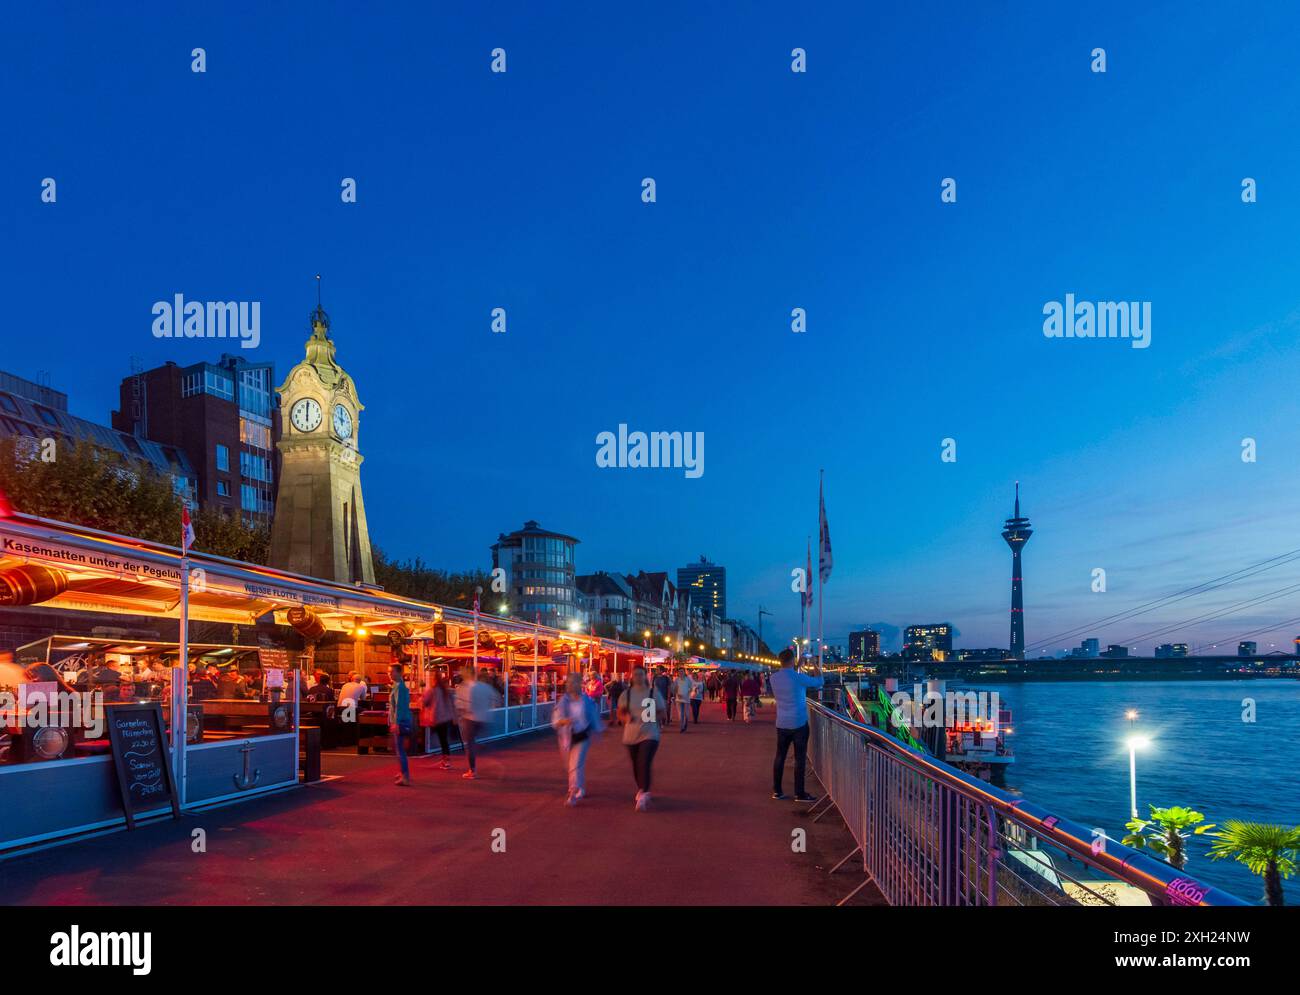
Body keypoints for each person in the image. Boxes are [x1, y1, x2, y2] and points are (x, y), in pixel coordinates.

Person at [769, 648, 824, 802]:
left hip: (782, 723)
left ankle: (777, 791)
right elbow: (820, 681)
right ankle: (799, 793)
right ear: (793, 660)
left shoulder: (774, 678)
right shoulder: (799, 678)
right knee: (800, 759)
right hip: (799, 723)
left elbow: (788, 676)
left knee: (780, 756)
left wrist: (796, 665)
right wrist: (813, 663)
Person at [552, 672, 603, 805]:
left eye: (573, 682)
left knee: (576, 764)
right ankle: (579, 787)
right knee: (571, 766)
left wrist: (597, 730)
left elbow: (593, 716)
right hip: (567, 737)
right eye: (568, 682)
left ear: (579, 684)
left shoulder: (586, 700)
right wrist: (564, 721)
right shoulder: (563, 701)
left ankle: (572, 793)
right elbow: (555, 721)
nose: (569, 685)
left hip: (582, 735)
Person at [617, 665, 664, 811]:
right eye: (635, 674)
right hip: (631, 735)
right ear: (631, 677)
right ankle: (642, 788)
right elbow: (620, 712)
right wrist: (625, 717)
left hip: (649, 733)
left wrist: (653, 717)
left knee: (644, 761)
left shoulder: (653, 692)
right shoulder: (627, 694)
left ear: (645, 676)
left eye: (640, 674)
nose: (638, 677)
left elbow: (662, 712)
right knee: (636, 764)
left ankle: (644, 792)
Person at [455, 664, 500, 780]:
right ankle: (478, 748)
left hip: (470, 718)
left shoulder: (464, 687)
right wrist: (487, 706)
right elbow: (497, 698)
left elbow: (460, 705)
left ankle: (472, 770)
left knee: (469, 744)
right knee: (471, 741)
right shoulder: (483, 686)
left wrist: (459, 715)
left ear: (466, 674)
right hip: (483, 718)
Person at [421, 671, 457, 770]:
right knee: (444, 739)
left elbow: (424, 702)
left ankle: (445, 760)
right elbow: (452, 704)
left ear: (433, 679)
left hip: (437, 718)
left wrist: (420, 699)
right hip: (446, 718)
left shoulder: (431, 690)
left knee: (441, 739)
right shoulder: (446, 690)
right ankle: (446, 760)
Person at [388, 661, 413, 786]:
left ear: (399, 672)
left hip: (400, 721)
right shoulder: (397, 686)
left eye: (391, 671)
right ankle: (402, 772)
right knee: (398, 749)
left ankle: (405, 775)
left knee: (400, 750)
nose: (389, 674)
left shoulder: (400, 687)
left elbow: (399, 707)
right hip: (399, 720)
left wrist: (396, 723)